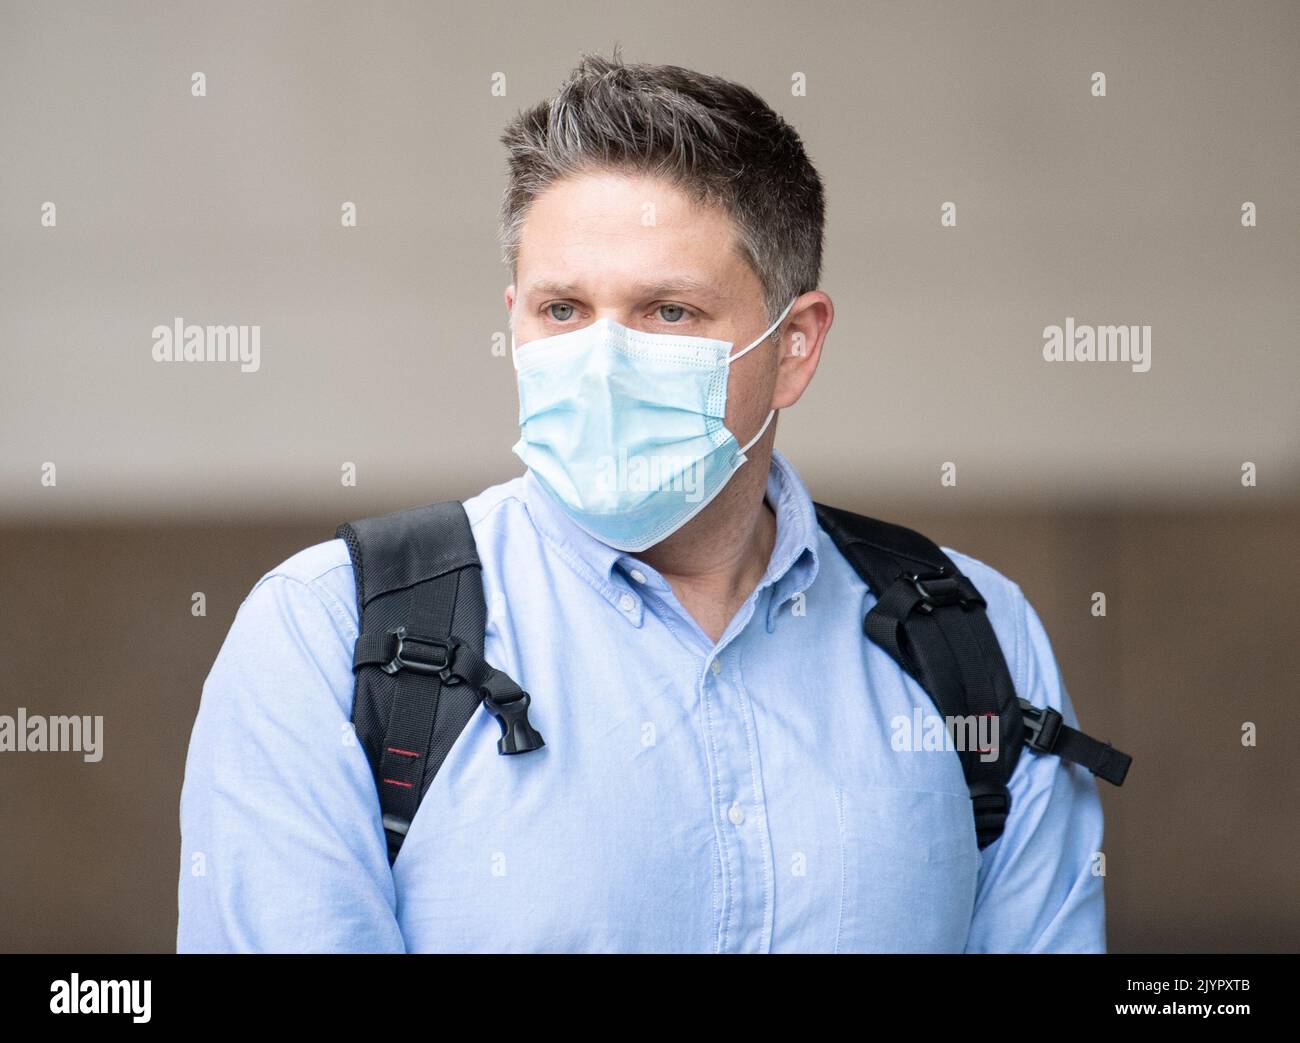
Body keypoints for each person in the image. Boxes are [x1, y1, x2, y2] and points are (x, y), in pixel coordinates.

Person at [177, 50, 1105, 953]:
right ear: (513, 317)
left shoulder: (971, 640)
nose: (602, 363)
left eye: (669, 312)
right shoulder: (329, 637)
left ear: (796, 345)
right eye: (563, 310)